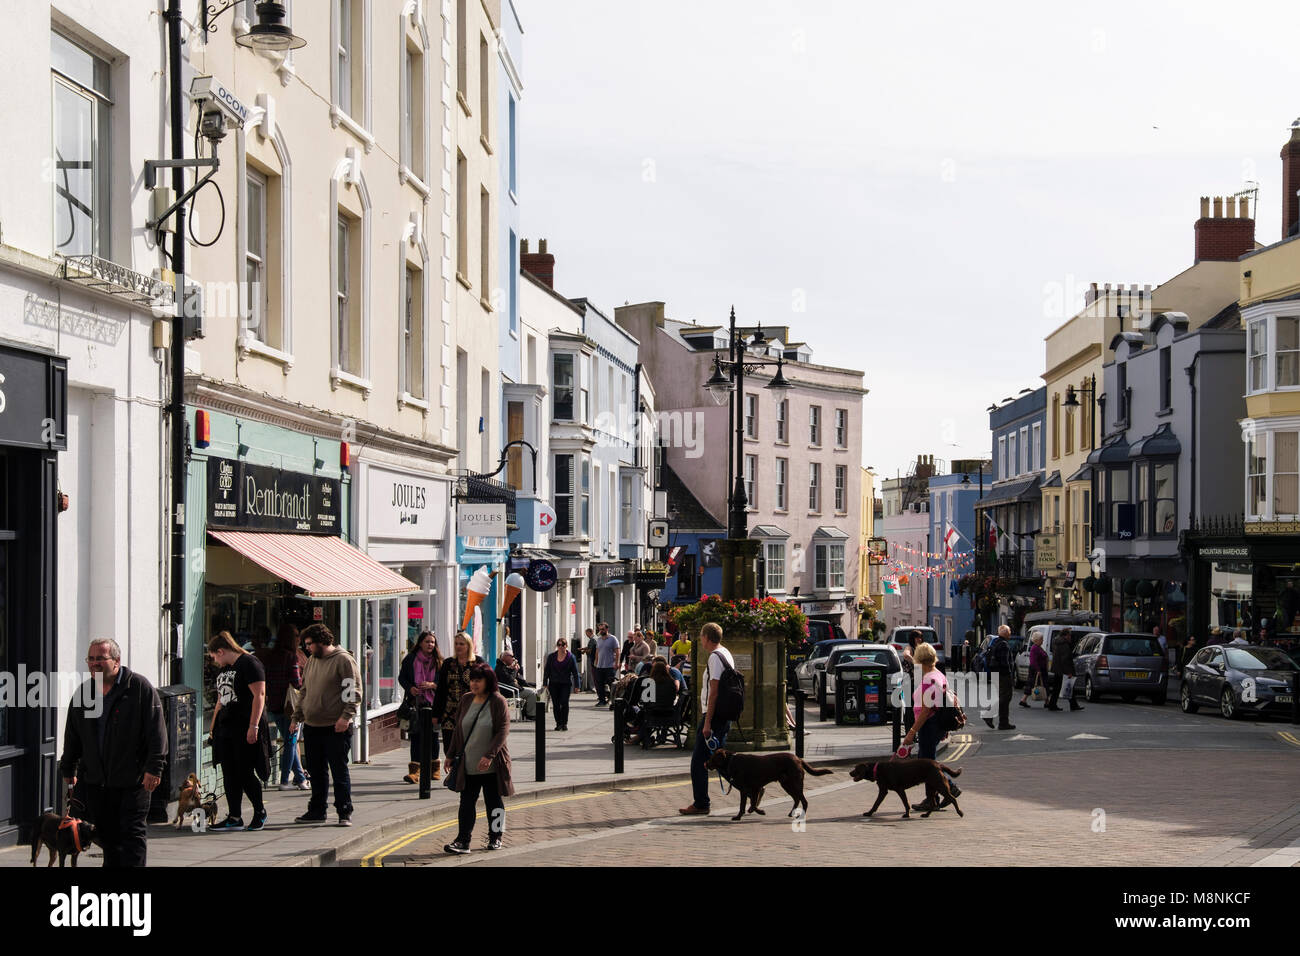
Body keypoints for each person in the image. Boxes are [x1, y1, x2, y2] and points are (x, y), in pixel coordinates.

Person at [59, 638, 166, 867]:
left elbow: (157, 732)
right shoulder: (84, 693)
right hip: (97, 782)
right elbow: (73, 735)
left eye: (101, 658)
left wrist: (154, 768)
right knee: (107, 838)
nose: (94, 663)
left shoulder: (138, 688)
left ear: (116, 661)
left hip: (133, 780)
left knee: (132, 836)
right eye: (91, 658)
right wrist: (68, 768)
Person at [291, 623, 362, 827]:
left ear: (322, 641)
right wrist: (296, 717)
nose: (307, 649)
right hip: (313, 726)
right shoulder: (313, 660)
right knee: (316, 771)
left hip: (335, 726)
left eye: (309, 644)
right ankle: (317, 810)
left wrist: (345, 717)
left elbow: (353, 692)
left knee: (338, 771)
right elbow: (304, 691)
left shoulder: (343, 660)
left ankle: (344, 811)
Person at [443, 663, 514, 854]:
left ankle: (497, 836)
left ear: (488, 681)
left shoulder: (498, 701)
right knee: (466, 803)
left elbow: (502, 731)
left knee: (494, 802)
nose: (474, 684)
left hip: (491, 764)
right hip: (469, 763)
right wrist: (450, 755)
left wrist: (489, 755)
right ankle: (462, 841)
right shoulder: (466, 700)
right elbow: (458, 731)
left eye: (478, 680)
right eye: (472, 680)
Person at [207, 631, 272, 831]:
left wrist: (253, 726)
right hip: (226, 728)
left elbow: (259, 695)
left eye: (214, 657)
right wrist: (212, 729)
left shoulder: (250, 663)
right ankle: (234, 816)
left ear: (221, 651)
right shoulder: (225, 669)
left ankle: (260, 811)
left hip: (245, 726)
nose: (215, 661)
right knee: (229, 773)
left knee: (245, 772)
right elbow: (220, 700)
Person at [680, 622, 735, 816]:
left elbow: (714, 692)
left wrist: (708, 722)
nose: (700, 640)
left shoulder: (714, 658)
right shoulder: (726, 653)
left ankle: (701, 803)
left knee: (699, 762)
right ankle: (751, 788)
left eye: (701, 637)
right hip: (724, 715)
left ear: (707, 637)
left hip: (715, 716)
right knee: (719, 760)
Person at [900, 642, 962, 812]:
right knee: (928, 763)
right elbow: (946, 703)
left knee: (926, 765)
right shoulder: (938, 675)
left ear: (919, 660)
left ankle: (936, 797)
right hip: (936, 724)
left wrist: (912, 732)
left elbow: (926, 710)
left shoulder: (929, 679)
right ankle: (939, 795)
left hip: (929, 724)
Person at [264, 622, 308, 791]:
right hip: (290, 706)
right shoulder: (291, 657)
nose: (299, 639)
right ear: (290, 638)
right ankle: (284, 781)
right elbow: (297, 683)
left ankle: (300, 778)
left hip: (274, 705)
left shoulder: (270, 656)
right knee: (291, 741)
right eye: (297, 636)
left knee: (290, 740)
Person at [397, 630, 442, 784]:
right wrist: (410, 688)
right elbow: (401, 677)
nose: (430, 644)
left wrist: (432, 685)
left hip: (433, 703)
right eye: (427, 641)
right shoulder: (410, 659)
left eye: (432, 642)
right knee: (416, 736)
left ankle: (434, 768)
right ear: (420, 643)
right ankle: (414, 772)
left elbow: (444, 682)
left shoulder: (439, 661)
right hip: (415, 703)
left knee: (433, 736)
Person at [432, 632, 484, 755]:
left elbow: (486, 687)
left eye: (462, 644)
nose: (458, 646)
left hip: (472, 710)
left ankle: (464, 772)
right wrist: (436, 714)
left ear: (468, 645)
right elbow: (441, 690)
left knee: (469, 746)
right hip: (450, 712)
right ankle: (454, 772)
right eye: (456, 644)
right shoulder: (448, 663)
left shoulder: (478, 662)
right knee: (449, 747)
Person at [981, 625, 1016, 729]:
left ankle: (1003, 722)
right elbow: (1005, 662)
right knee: (1005, 697)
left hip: (995, 673)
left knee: (1002, 697)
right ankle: (994, 718)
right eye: (1009, 632)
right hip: (1003, 674)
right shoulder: (1004, 645)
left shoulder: (995, 642)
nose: (1010, 633)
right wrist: (1009, 674)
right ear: (1005, 633)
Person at [543, 637, 582, 731]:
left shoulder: (571, 657)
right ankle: (558, 723)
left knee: (564, 702)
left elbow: (575, 672)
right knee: (556, 704)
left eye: (563, 645)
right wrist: (545, 682)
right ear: (557, 646)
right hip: (553, 684)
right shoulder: (551, 657)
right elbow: (547, 670)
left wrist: (577, 686)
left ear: (566, 646)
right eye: (559, 645)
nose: (561, 647)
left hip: (565, 684)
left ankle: (564, 723)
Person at [1046, 628, 1083, 712]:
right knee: (1065, 686)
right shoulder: (1064, 645)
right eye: (1069, 635)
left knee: (1062, 687)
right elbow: (1065, 659)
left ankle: (1071, 704)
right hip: (1062, 669)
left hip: (1057, 668)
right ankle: (1055, 705)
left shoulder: (1056, 642)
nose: (1070, 637)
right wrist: (1069, 672)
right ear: (1065, 635)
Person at [495, 650, 538, 719]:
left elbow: (514, 678)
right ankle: (530, 714)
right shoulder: (500, 668)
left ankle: (528, 712)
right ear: (505, 657)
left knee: (534, 691)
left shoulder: (504, 667)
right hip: (510, 692)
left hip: (514, 689)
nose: (513, 659)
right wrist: (514, 670)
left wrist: (513, 670)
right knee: (531, 693)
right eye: (512, 656)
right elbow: (510, 679)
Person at [1019, 632, 1049, 709]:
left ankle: (1046, 701)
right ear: (1036, 640)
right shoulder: (1035, 648)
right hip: (1036, 670)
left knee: (1040, 684)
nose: (1042, 640)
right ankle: (1024, 700)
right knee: (1034, 684)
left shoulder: (1038, 647)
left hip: (1039, 669)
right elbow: (1033, 660)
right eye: (1041, 639)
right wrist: (1038, 670)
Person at [594, 624, 621, 706]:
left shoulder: (613, 639)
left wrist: (616, 663)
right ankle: (602, 700)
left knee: (611, 684)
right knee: (599, 684)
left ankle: (613, 701)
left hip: (609, 666)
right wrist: (596, 661)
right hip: (599, 666)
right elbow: (597, 651)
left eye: (602, 629)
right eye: (600, 629)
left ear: (607, 629)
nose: (601, 631)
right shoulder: (598, 640)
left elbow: (617, 651)